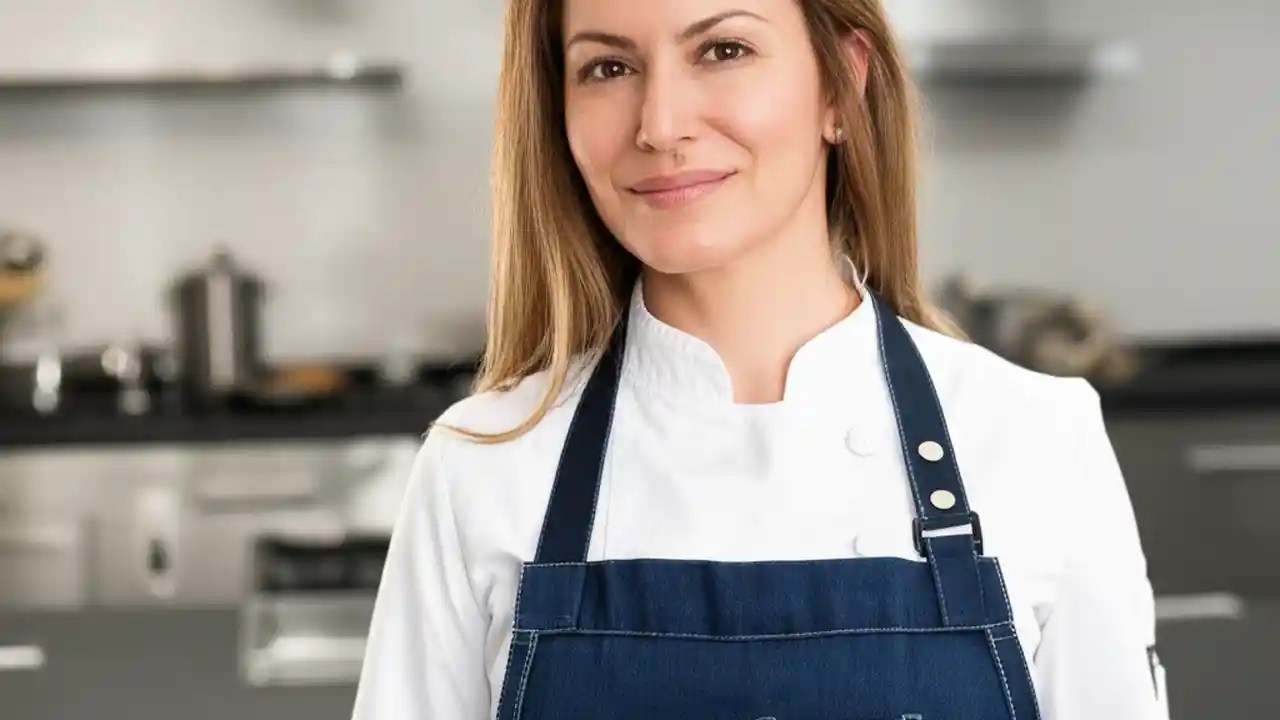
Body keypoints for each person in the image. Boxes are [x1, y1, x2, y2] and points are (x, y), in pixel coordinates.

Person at [351, 0, 1168, 718]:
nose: (659, 123)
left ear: (842, 87)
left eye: (723, 49)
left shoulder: (1038, 439)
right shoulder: (481, 466)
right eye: (606, 66)